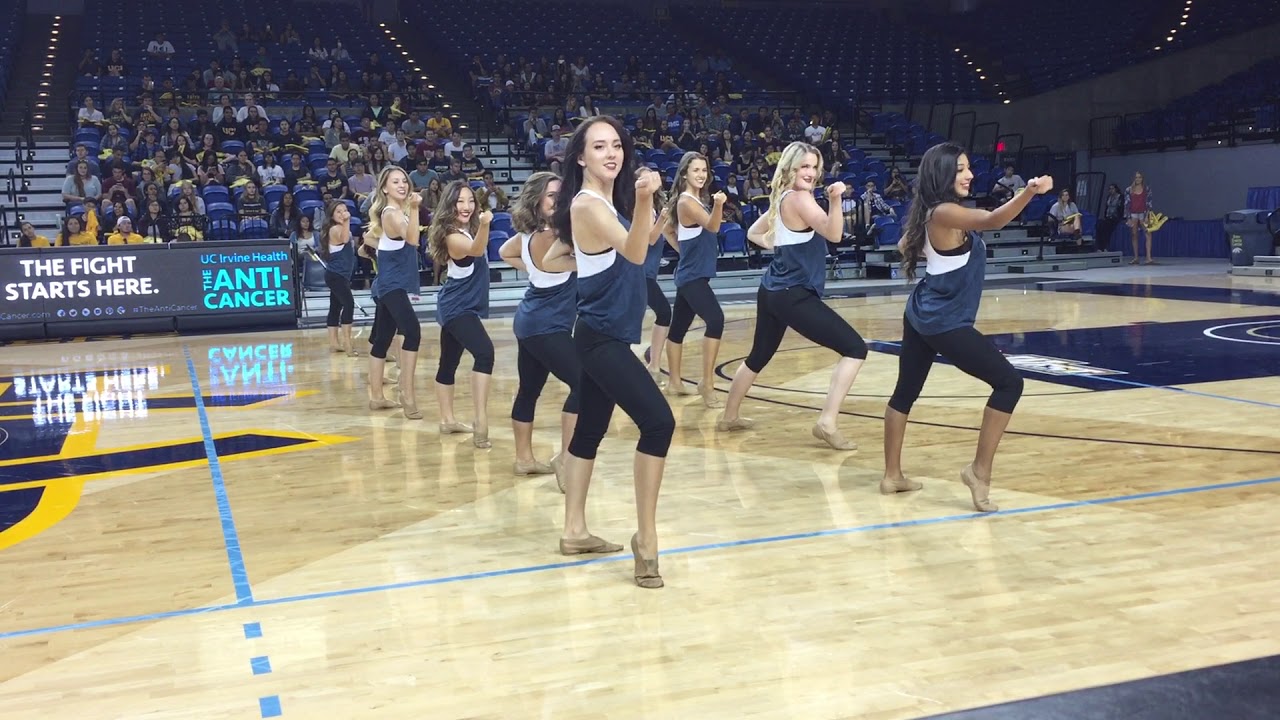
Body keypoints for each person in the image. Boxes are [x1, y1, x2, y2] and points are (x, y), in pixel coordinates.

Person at [883, 142, 1052, 511]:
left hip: (921, 314)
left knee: (904, 393)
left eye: (968, 168)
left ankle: (892, 475)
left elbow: (903, 243)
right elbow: (993, 221)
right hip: (943, 321)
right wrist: (1030, 190)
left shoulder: (932, 213)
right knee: (1009, 383)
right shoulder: (944, 212)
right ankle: (979, 472)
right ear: (942, 174)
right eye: (960, 169)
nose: (969, 174)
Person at [543, 116, 672, 589]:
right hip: (600, 339)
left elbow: (636, 246)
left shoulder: (603, 202)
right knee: (659, 423)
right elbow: (636, 254)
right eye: (599, 147)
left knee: (590, 431)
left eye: (616, 144)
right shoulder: (587, 205)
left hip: (605, 332)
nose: (611, 153)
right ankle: (648, 539)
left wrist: (646, 210)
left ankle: (574, 530)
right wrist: (643, 200)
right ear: (581, 157)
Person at [716, 141, 866, 451]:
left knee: (758, 356)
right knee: (855, 349)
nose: (810, 172)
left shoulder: (782, 197)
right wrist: (836, 200)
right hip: (792, 294)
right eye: (804, 167)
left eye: (814, 167)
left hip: (771, 289)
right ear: (791, 169)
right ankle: (827, 422)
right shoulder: (799, 199)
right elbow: (835, 234)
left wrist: (783, 244)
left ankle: (728, 416)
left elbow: (753, 234)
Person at [498, 172, 579, 486]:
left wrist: (530, 265)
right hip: (546, 325)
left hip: (529, 321)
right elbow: (566, 263)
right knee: (585, 384)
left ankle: (524, 459)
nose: (558, 201)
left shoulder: (528, 235)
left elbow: (506, 253)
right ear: (536, 201)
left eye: (561, 194)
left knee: (529, 391)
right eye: (551, 196)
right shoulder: (552, 237)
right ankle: (566, 458)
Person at [428, 180, 495, 447]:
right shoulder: (452, 234)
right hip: (457, 307)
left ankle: (447, 420)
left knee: (448, 362)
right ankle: (480, 419)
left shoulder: (468, 230)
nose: (466, 206)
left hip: (460, 303)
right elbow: (476, 251)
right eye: (460, 201)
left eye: (470, 201)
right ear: (450, 204)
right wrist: (487, 225)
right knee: (485, 353)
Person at [663, 152, 727, 407]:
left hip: (690, 274)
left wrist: (683, 251)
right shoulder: (687, 202)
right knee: (716, 320)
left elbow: (668, 229)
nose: (701, 174)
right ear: (685, 174)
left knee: (677, 330)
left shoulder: (691, 201)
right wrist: (720, 204)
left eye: (704, 170)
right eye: (696, 170)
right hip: (692, 278)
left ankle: (674, 382)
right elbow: (713, 227)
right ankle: (706, 384)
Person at [364, 166, 424, 419]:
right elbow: (413, 240)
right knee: (412, 332)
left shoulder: (395, 212)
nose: (402, 185)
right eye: (395, 182)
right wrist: (417, 207)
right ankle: (406, 393)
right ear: (385, 188)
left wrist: (382, 249)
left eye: (404, 181)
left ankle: (376, 396)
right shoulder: (392, 213)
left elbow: (369, 238)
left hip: (390, 282)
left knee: (382, 338)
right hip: (391, 285)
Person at [316, 200, 359, 356]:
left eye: (345, 210)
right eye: (339, 212)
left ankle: (334, 343)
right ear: (332, 216)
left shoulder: (340, 228)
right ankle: (347, 344)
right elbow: (345, 239)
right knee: (349, 304)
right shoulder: (336, 229)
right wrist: (347, 220)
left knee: (335, 308)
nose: (343, 214)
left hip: (339, 275)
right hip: (337, 275)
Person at [1125, 172, 1155, 265]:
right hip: (1133, 213)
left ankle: (1148, 257)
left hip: (1143, 213)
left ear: (1142, 178)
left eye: (1140, 177)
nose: (1138, 179)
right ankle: (1136, 257)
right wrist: (1128, 217)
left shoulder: (1147, 189)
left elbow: (1149, 203)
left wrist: (1147, 216)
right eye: (1136, 177)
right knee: (1134, 235)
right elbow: (1126, 204)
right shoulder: (1129, 190)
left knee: (1148, 233)